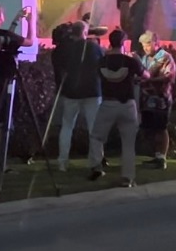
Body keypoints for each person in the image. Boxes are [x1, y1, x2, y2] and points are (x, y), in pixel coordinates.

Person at [90, 29, 148, 187]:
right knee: (128, 143)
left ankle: (96, 165)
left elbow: (96, 75)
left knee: (96, 136)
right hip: (128, 105)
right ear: (123, 42)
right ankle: (127, 178)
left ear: (110, 41)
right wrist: (137, 60)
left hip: (108, 103)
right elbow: (146, 76)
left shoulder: (102, 61)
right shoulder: (130, 61)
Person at [0, 2, 34, 175]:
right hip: (6, 81)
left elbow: (7, 39)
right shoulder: (3, 34)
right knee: (3, 123)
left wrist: (15, 21)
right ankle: (0, 165)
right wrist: (30, 22)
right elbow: (28, 41)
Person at [53, 21, 103, 171]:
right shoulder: (94, 47)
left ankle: (63, 161)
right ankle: (95, 162)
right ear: (85, 32)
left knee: (67, 126)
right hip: (92, 91)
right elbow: (101, 67)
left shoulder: (63, 50)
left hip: (71, 92)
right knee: (94, 127)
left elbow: (58, 72)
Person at [138, 31, 176, 170]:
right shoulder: (145, 58)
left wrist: (149, 80)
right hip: (147, 99)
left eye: (148, 44)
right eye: (143, 45)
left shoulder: (165, 57)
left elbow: (168, 77)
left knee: (161, 128)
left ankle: (162, 158)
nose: (146, 48)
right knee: (150, 129)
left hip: (161, 98)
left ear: (155, 43)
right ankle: (156, 156)